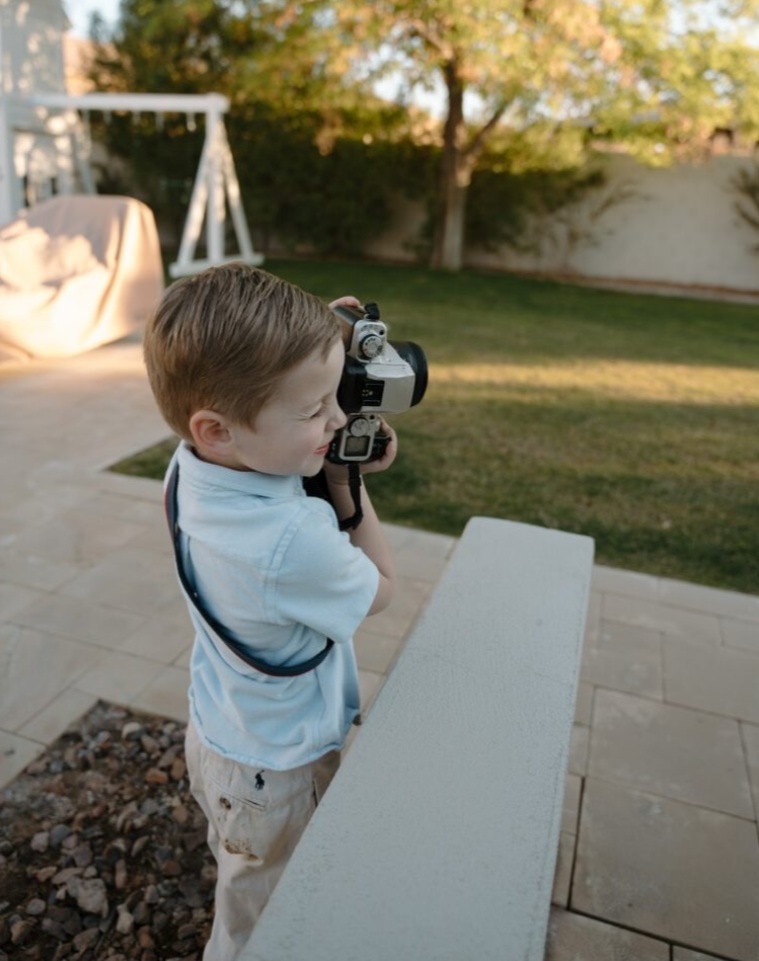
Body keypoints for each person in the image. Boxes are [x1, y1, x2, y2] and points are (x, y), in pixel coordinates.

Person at [142, 263, 397, 960]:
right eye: (315, 410)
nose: (338, 419)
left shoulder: (192, 464)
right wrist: (344, 480)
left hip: (223, 729)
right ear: (218, 429)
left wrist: (311, 369)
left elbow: (263, 420)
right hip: (278, 768)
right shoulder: (293, 541)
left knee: (245, 871)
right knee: (261, 924)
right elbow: (381, 587)